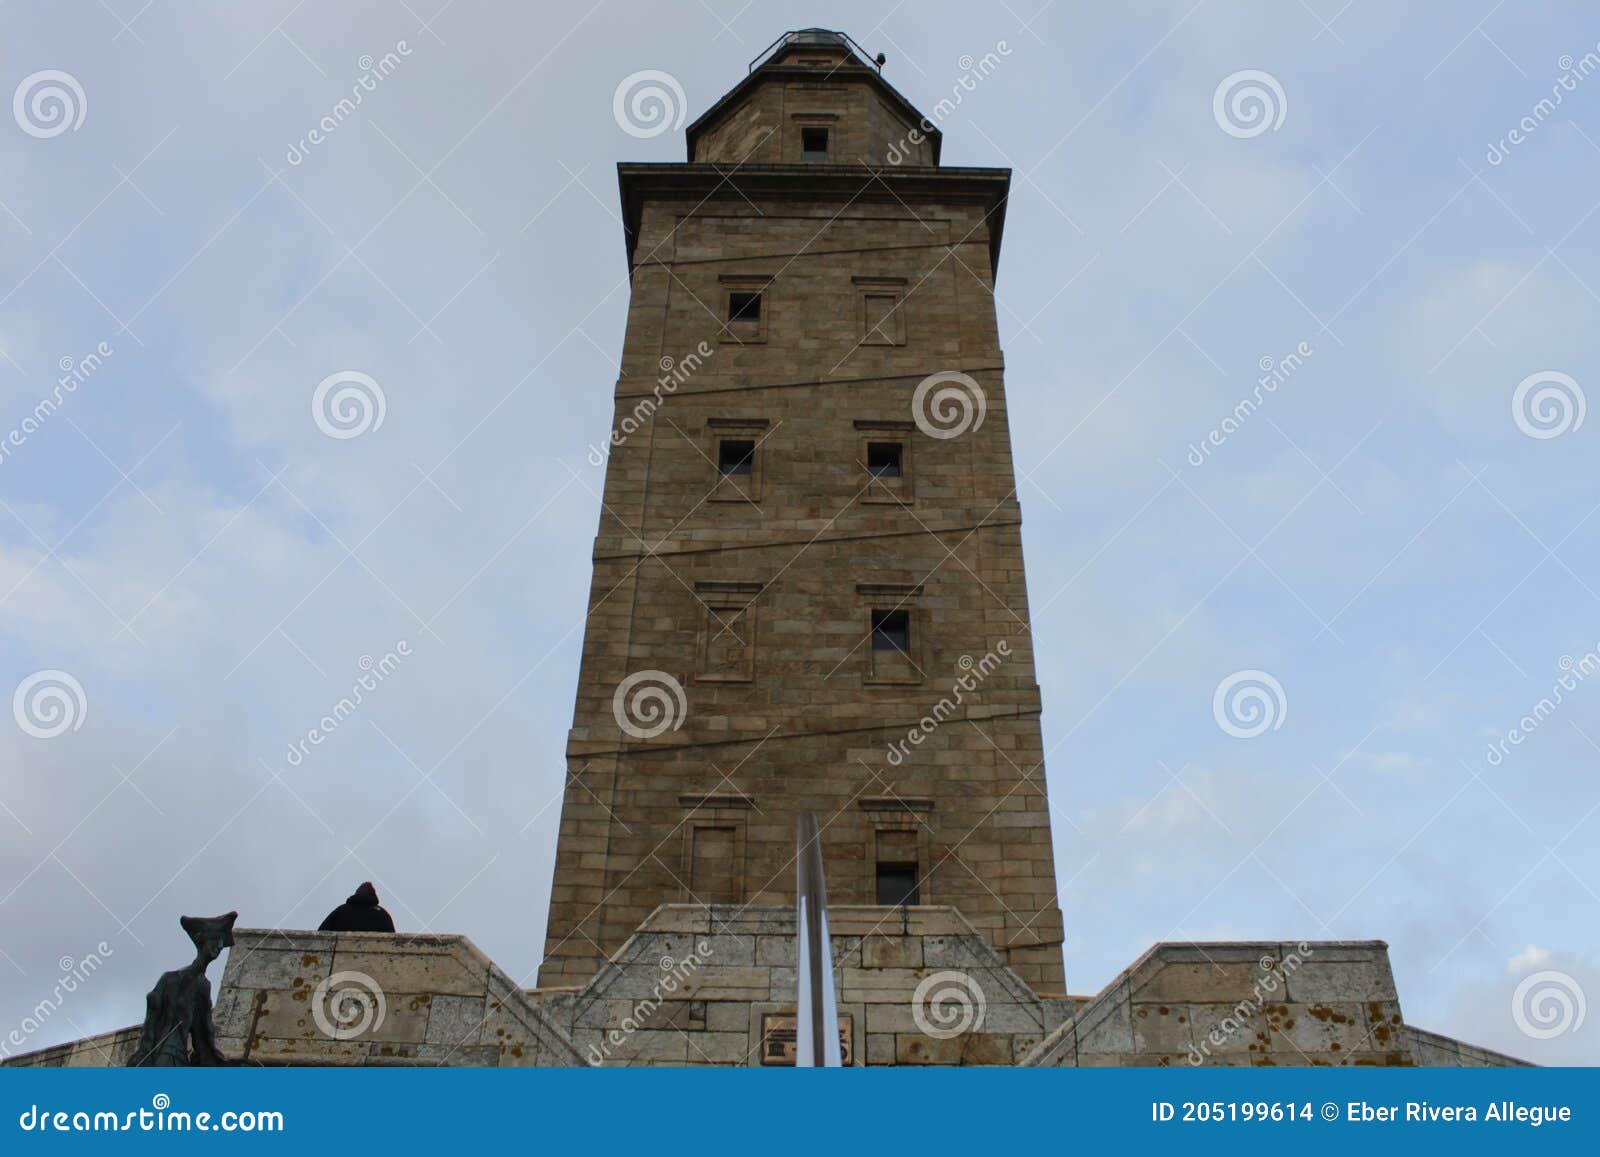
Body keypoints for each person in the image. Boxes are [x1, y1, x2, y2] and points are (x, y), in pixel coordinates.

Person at [317, 881, 396, 932]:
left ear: (356, 893)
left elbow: (321, 932)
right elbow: (393, 940)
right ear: (373, 895)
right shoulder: (381, 912)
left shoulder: (342, 909)